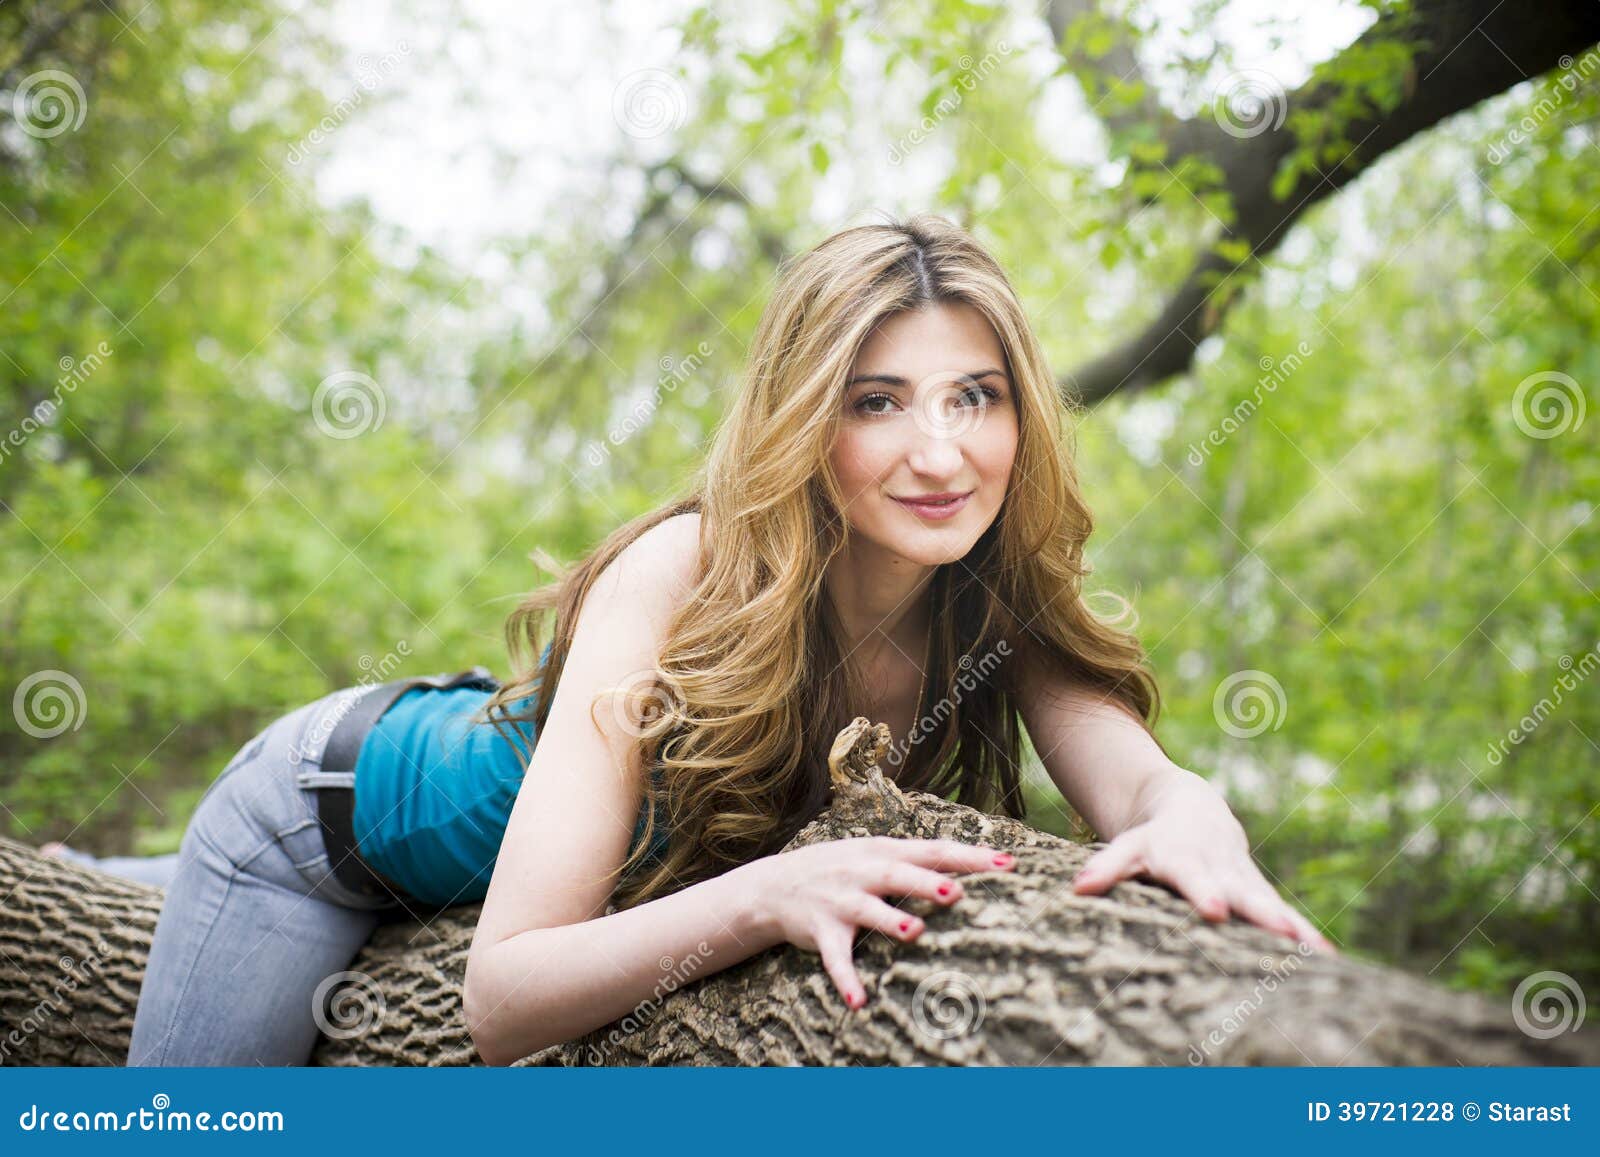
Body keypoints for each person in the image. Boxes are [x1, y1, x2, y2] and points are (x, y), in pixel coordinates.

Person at [45, 213, 1333, 1069]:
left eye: (975, 397)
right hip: (315, 823)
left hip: (470, 806)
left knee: (167, 891)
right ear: (804, 419)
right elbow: (502, 1002)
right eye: (878, 403)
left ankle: (141, 875)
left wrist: (1193, 816)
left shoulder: (994, 603)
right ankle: (168, 869)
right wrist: (767, 895)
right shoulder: (691, 569)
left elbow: (1141, 783)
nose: (941, 453)